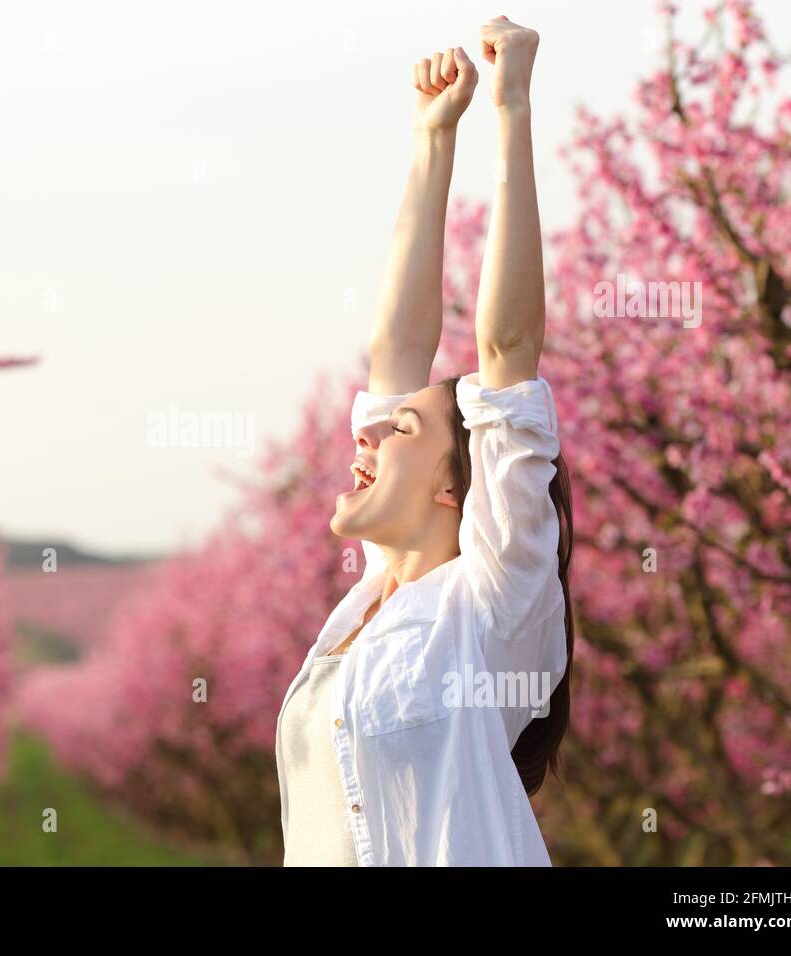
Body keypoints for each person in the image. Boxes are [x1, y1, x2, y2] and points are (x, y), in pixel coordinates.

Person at [276, 15, 575, 866]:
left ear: (456, 487)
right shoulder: (359, 616)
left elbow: (507, 355)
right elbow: (394, 350)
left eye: (397, 429)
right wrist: (431, 138)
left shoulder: (493, 606)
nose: (362, 441)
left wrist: (511, 106)